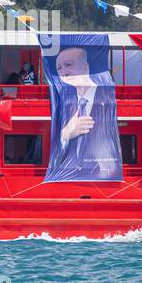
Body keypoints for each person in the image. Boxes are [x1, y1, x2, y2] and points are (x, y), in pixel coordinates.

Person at [45, 43, 122, 182]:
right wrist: (66, 135)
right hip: (70, 176)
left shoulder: (108, 97)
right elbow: (57, 155)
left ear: (86, 67)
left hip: (103, 175)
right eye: (59, 68)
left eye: (68, 64)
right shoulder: (62, 103)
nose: (64, 72)